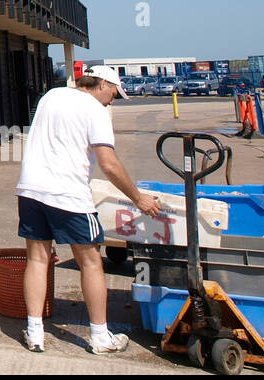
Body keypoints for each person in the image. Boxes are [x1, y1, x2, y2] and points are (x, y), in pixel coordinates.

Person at [16, 64, 162, 354]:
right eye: (114, 95)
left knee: (37, 259)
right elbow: (108, 164)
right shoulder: (95, 110)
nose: (112, 101)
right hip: (68, 194)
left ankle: (34, 332)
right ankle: (100, 336)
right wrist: (138, 198)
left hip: (30, 188)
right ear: (104, 85)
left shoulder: (51, 96)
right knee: (92, 262)